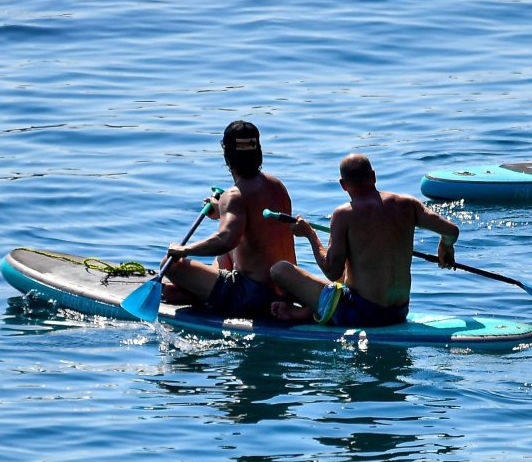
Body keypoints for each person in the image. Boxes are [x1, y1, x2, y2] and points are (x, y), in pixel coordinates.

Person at [269, 153, 459, 327]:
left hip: (362, 315)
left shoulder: (344, 214)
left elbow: (331, 271)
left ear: (343, 184)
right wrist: (446, 245)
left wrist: (310, 235)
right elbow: (451, 230)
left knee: (280, 270)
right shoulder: (408, 203)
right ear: (374, 176)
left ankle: (308, 312)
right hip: (399, 312)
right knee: (348, 274)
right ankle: (307, 313)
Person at [161, 121, 297, 318]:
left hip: (252, 298)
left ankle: (196, 293)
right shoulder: (277, 186)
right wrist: (222, 212)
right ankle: (199, 290)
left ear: (227, 156)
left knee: (170, 263)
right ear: (258, 151)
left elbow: (226, 239)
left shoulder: (234, 196)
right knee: (230, 251)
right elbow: (255, 226)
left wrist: (185, 250)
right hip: (285, 292)